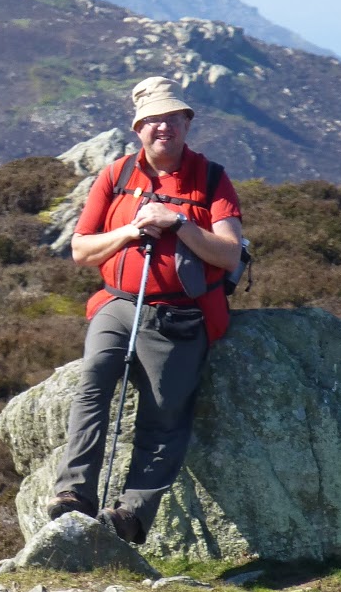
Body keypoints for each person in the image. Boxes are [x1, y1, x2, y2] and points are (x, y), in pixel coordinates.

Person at [46, 76, 244, 544]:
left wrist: (177, 222)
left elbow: (229, 253)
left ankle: (131, 515)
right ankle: (74, 494)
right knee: (93, 383)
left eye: (173, 118)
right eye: (153, 120)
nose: (164, 127)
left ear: (187, 123)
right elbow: (81, 250)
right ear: (138, 128)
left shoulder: (211, 178)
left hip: (181, 314)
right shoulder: (115, 175)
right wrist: (131, 232)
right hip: (118, 303)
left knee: (165, 415)